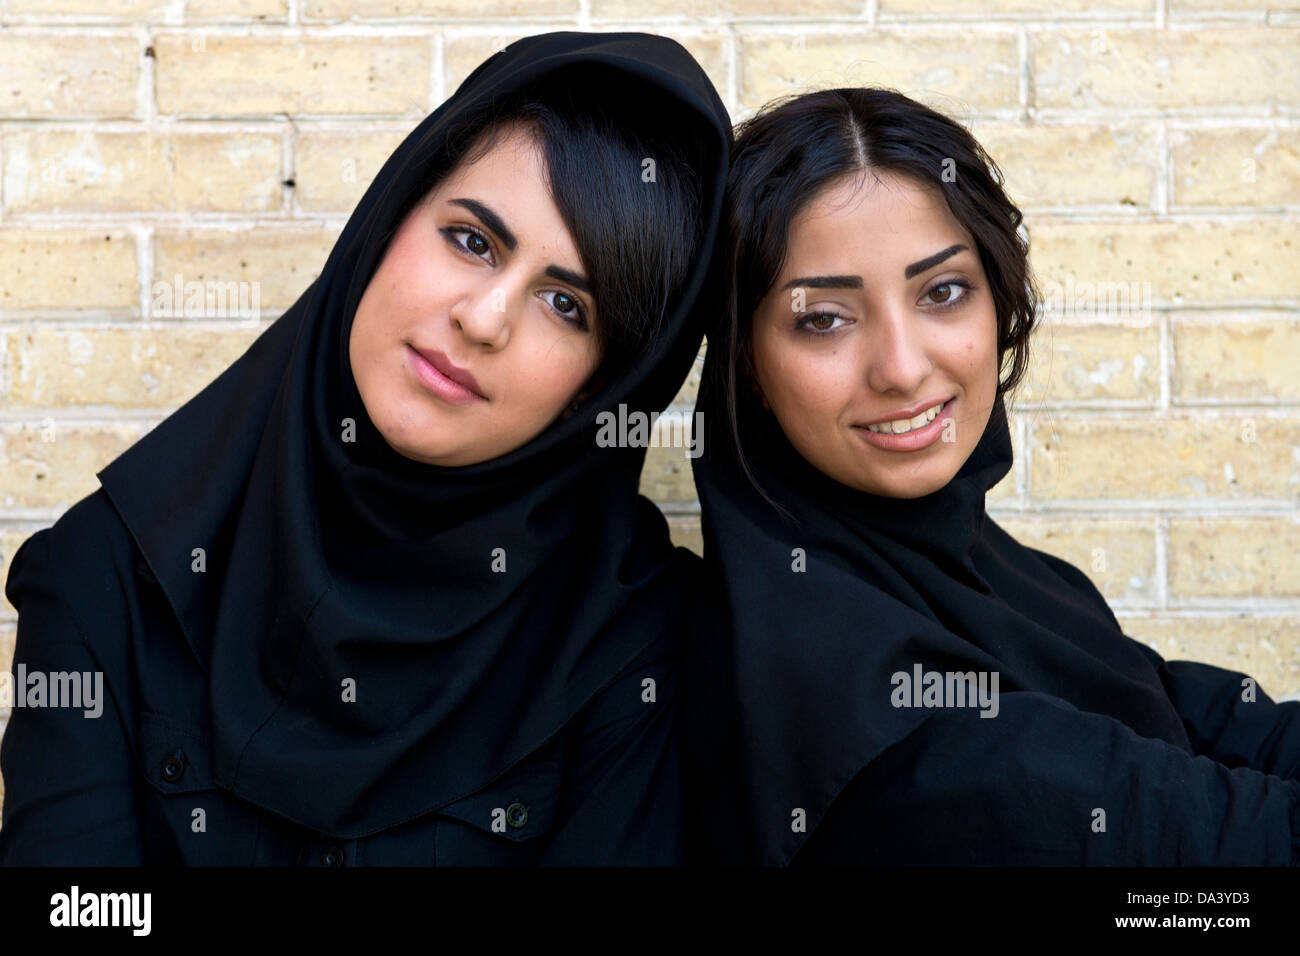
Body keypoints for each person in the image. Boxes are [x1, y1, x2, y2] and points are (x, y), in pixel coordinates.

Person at [0, 30, 732, 866]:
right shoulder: (111, 574)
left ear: (603, 385)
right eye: (472, 240)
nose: (483, 319)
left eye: (567, 305)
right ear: (389, 219)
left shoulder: (635, 638)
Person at [682, 87, 1300, 866]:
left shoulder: (1009, 580)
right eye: (824, 319)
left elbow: (1199, 712)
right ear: (746, 359)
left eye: (942, 292)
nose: (902, 369)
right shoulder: (860, 705)